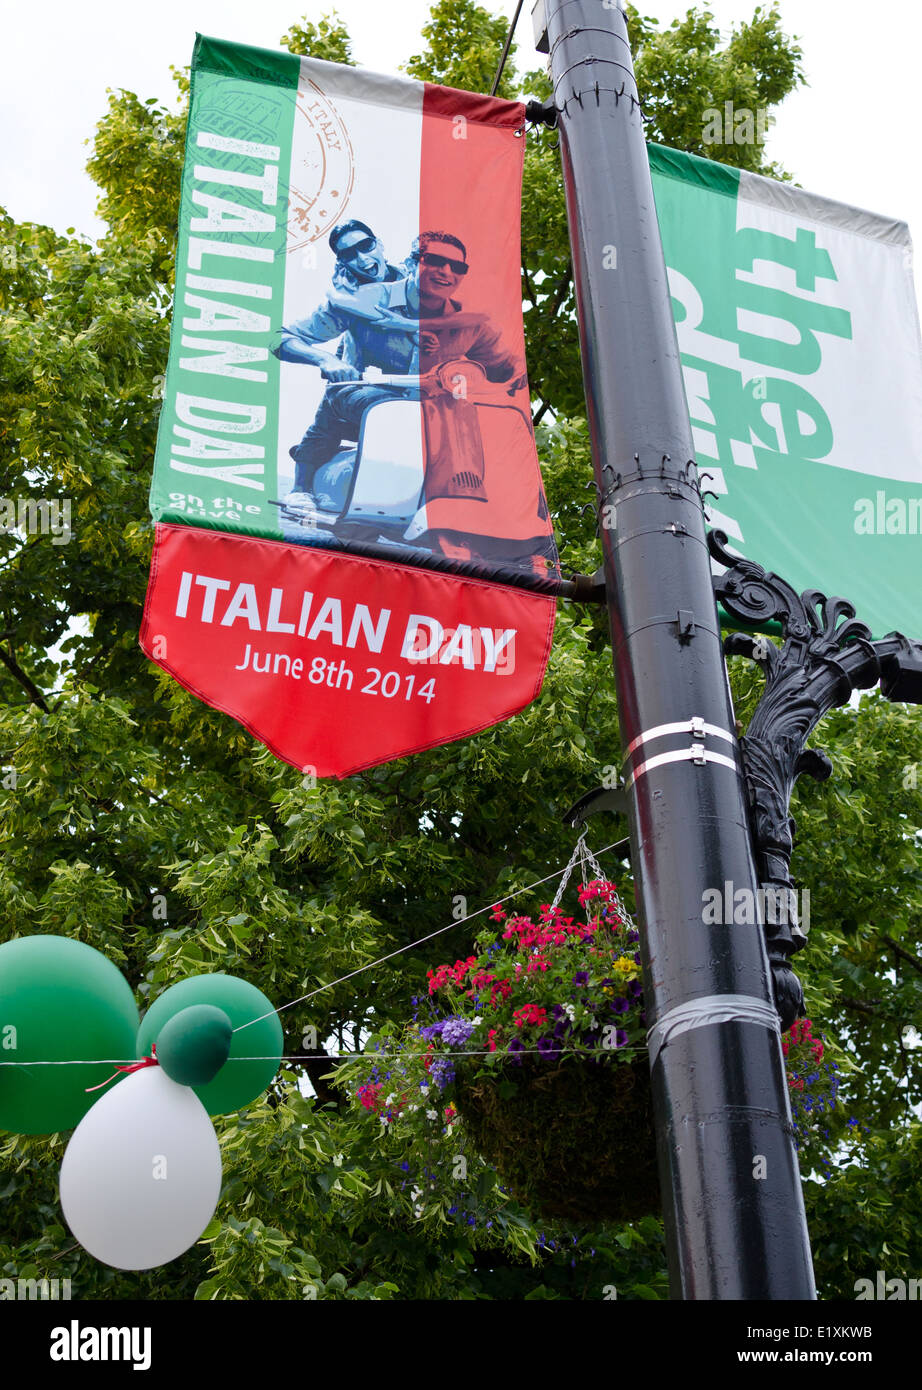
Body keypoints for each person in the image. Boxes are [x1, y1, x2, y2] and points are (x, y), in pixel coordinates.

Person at [274, 231, 525, 505]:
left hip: (429, 409)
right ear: (412, 261)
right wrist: (326, 360)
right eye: (434, 261)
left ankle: (457, 501)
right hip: (362, 392)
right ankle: (303, 487)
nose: (445, 272)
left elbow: (506, 369)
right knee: (377, 409)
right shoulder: (365, 300)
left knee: (461, 411)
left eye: (457, 266)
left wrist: (510, 375)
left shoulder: (468, 321)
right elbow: (281, 337)